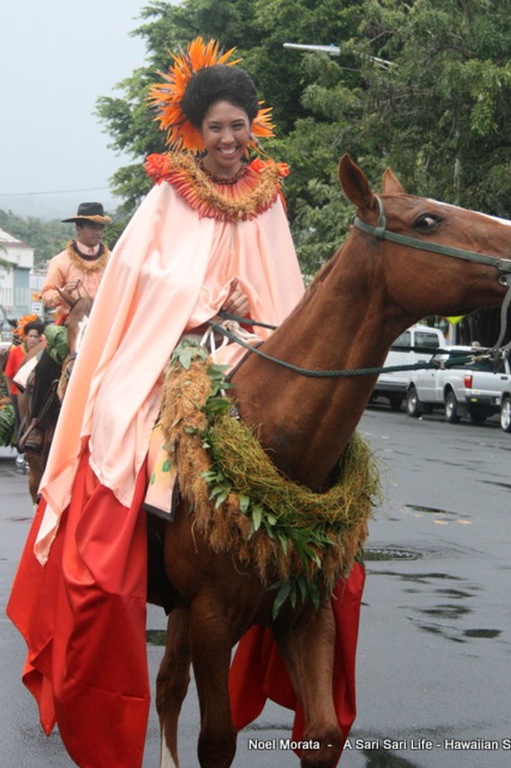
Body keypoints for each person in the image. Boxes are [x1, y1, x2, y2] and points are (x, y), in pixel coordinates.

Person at [6, 38, 358, 768]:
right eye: (216, 127)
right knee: (120, 418)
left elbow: (285, 286)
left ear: (252, 128)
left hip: (251, 347)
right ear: (193, 131)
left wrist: (256, 316)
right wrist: (204, 303)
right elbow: (143, 280)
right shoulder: (169, 193)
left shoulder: (268, 196)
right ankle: (139, 547)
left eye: (240, 125)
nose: (229, 140)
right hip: (172, 348)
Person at [21, 203, 111, 452]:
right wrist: (63, 295)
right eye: (93, 226)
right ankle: (38, 425)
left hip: (104, 327)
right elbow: (46, 295)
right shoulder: (60, 261)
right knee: (48, 362)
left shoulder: (112, 260)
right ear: (79, 227)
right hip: (69, 326)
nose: (98, 232)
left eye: (101, 226)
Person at [3, 317, 45, 461]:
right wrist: (11, 392)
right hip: (18, 392)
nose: (33, 339)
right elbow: (8, 374)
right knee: (21, 421)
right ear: (25, 337)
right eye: (31, 336)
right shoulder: (16, 353)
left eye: (36, 336)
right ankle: (21, 450)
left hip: (37, 393)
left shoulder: (44, 353)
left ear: (41, 338)